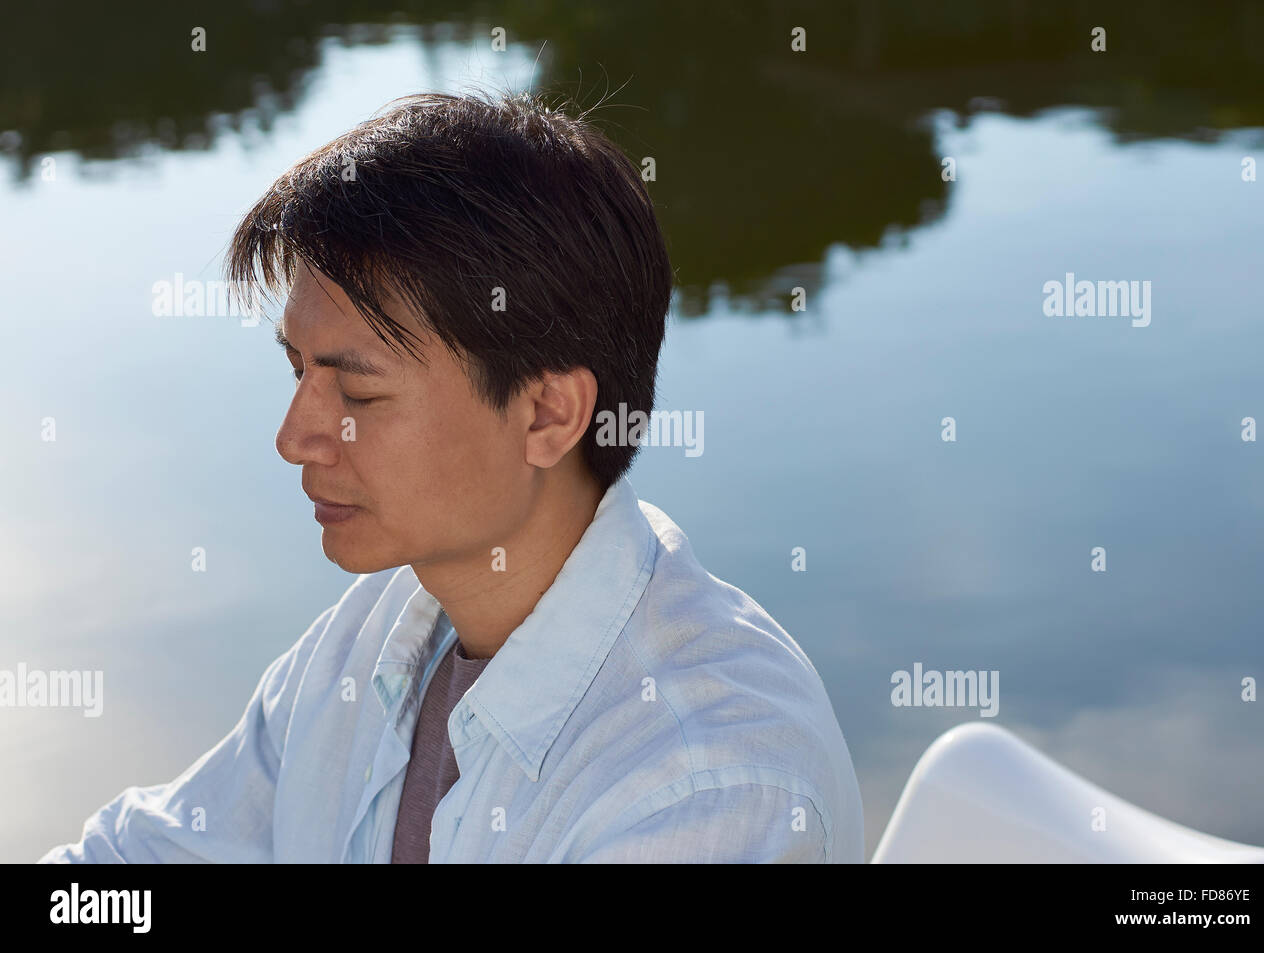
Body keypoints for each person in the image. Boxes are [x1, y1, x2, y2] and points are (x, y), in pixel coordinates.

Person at [39, 91, 864, 863]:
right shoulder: (377, 637)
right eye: (297, 372)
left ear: (548, 415)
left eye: (359, 390)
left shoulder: (711, 784)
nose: (295, 438)